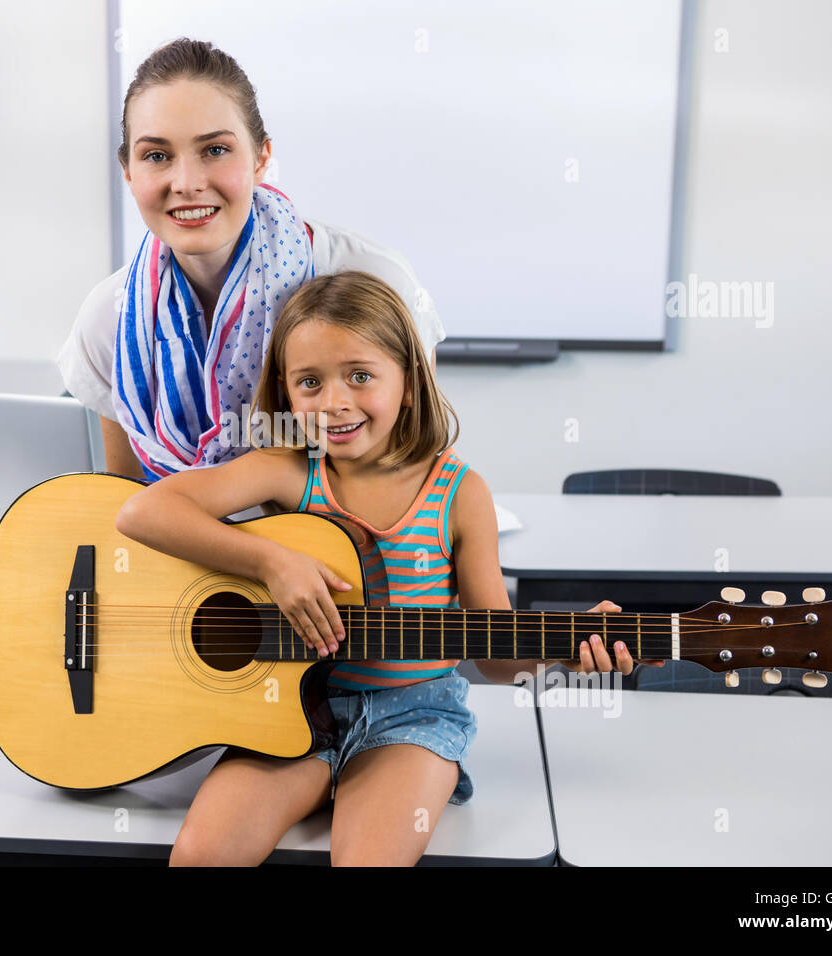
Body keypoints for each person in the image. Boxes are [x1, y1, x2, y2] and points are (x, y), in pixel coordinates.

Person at [115, 269, 663, 866]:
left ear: (407, 382)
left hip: (411, 718)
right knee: (201, 857)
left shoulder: (459, 492)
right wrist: (272, 561)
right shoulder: (285, 470)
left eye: (360, 375)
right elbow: (143, 512)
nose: (335, 402)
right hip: (283, 711)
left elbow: (497, 658)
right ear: (286, 392)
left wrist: (565, 646)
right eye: (309, 382)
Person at [56, 37, 446, 485]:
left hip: (345, 551)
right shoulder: (110, 317)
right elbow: (123, 504)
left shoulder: (372, 279)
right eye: (157, 156)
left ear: (262, 157)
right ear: (128, 172)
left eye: (215, 150)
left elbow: (417, 484)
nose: (186, 183)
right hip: (176, 548)